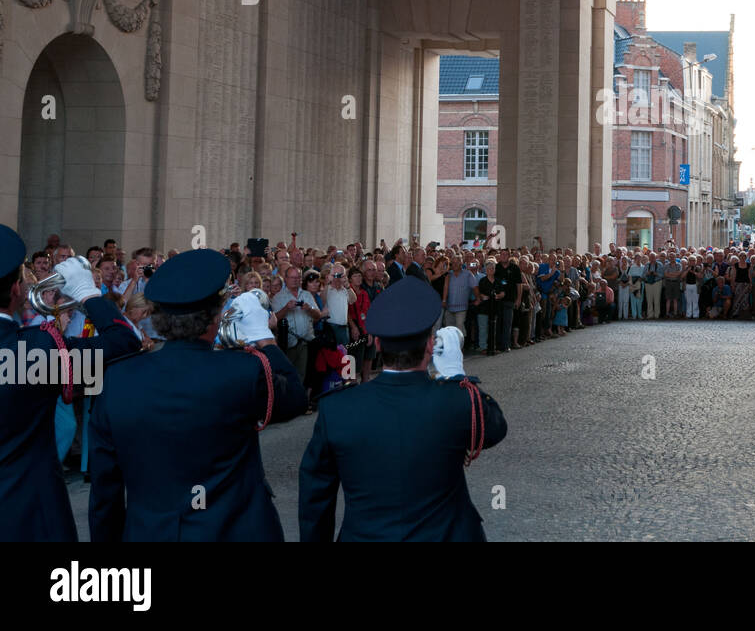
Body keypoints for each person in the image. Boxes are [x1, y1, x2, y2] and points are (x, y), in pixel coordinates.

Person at [88, 248, 307, 540]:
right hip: (234, 530)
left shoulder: (118, 379)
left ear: (158, 317)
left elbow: (105, 491)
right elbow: (295, 398)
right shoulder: (242, 371)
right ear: (215, 317)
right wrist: (263, 336)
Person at [299, 279, 507, 540]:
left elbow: (315, 496)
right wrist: (455, 375)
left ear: (376, 344)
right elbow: (496, 428)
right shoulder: (457, 401)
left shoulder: (337, 408)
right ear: (431, 346)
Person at [0, 228, 141, 541]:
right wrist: (88, 293)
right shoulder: (38, 350)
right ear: (15, 290)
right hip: (28, 514)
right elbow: (124, 340)